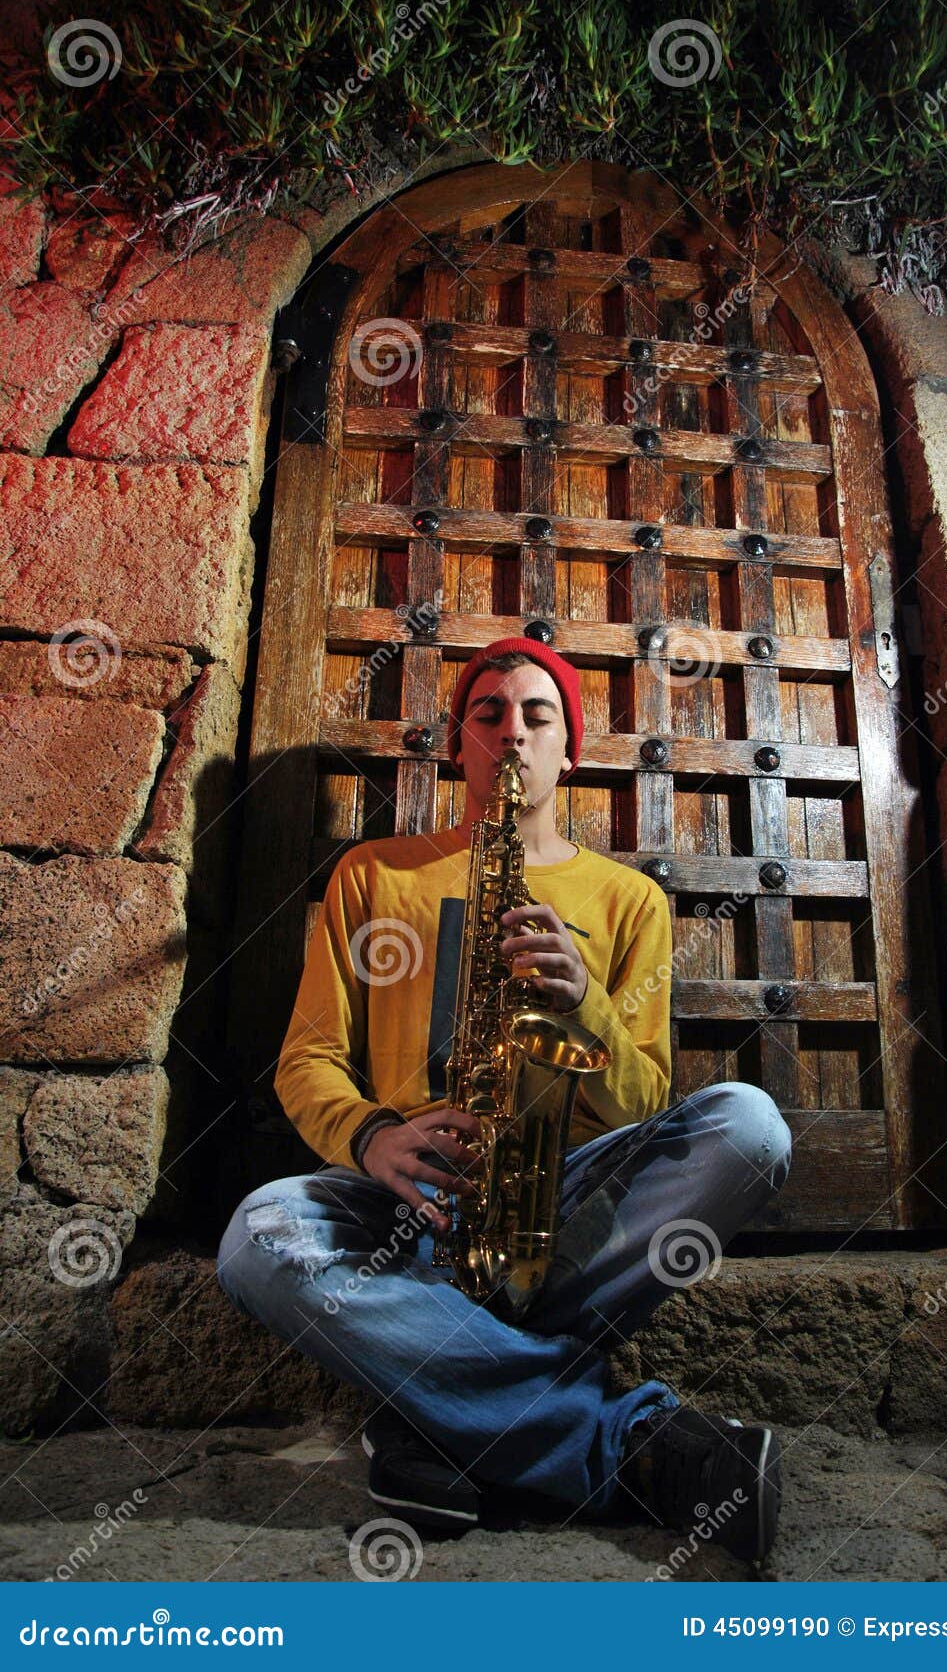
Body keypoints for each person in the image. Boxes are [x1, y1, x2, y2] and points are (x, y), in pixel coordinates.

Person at [217, 636, 793, 1562]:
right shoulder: (375, 872)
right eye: (487, 715)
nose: (511, 735)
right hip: (402, 1198)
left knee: (750, 1127)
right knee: (257, 1237)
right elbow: (308, 1059)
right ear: (458, 746)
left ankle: (430, 1410)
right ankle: (626, 1441)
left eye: (537, 717)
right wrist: (373, 1138)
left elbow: (645, 1101)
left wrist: (586, 1005)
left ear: (569, 751)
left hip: (553, 1200)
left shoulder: (628, 900)